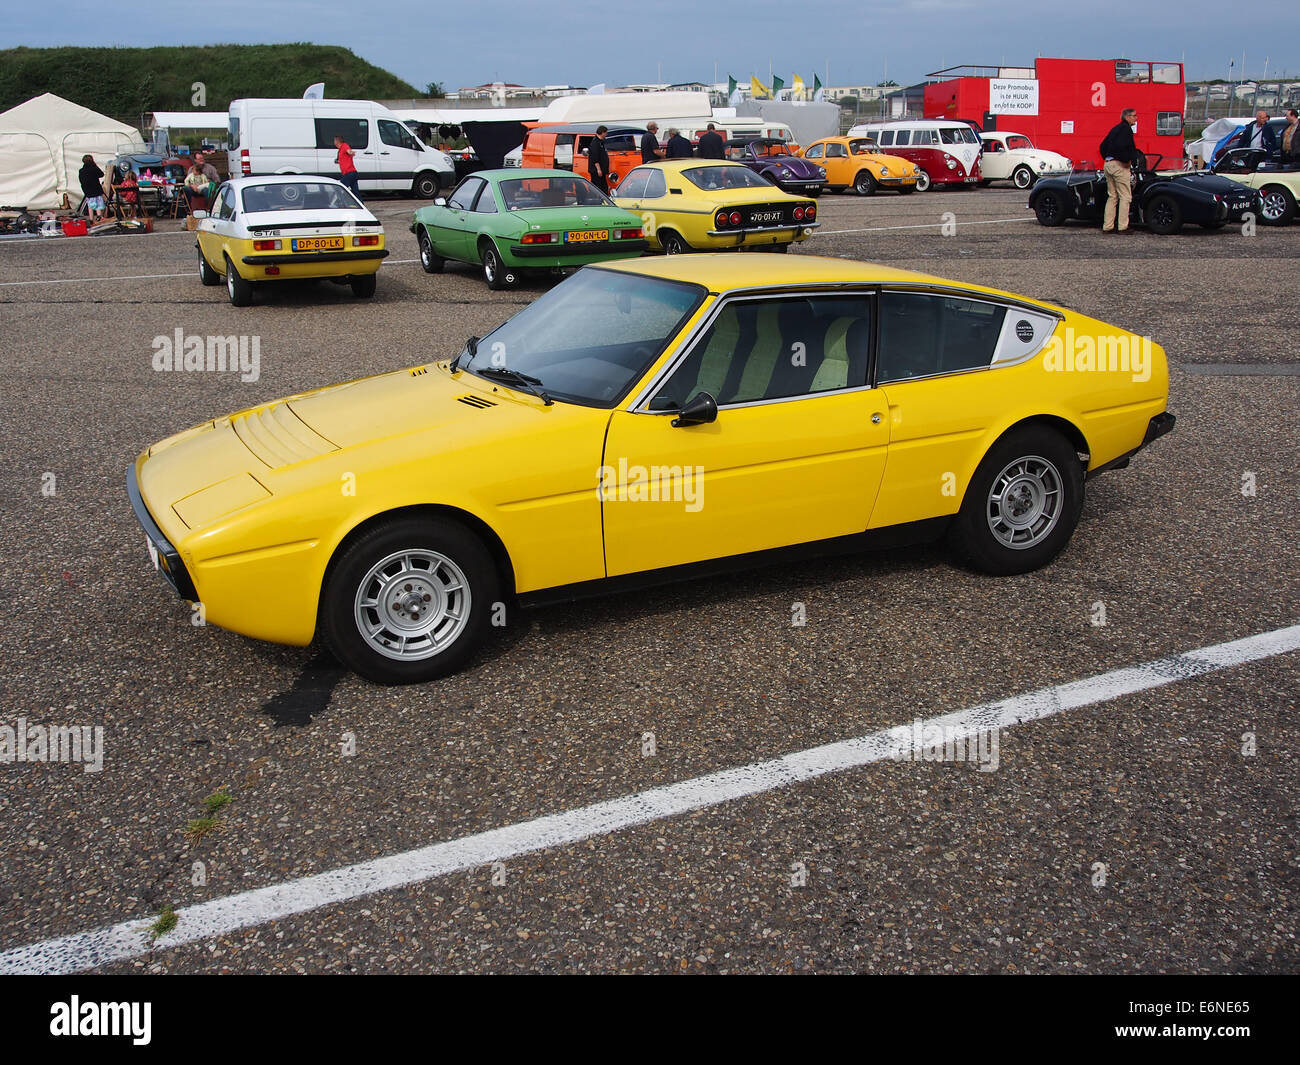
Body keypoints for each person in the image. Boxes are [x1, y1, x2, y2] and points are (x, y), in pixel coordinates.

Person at [1098, 108, 1141, 233]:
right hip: (1119, 165)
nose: (1136, 118)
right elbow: (1125, 147)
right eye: (1134, 115)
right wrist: (1128, 160)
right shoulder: (1126, 130)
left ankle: (1108, 226)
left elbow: (1103, 146)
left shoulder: (1115, 129)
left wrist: (1107, 157)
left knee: (1112, 196)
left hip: (1108, 164)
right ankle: (1123, 226)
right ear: (1126, 117)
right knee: (1125, 196)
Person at [78, 155, 106, 223]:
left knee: (90, 205)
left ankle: (91, 218)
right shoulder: (94, 168)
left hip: (87, 190)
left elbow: (81, 180)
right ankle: (99, 216)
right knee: (98, 204)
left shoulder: (81, 171)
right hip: (96, 188)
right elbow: (101, 174)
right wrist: (95, 166)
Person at [334, 135, 361, 199]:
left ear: (337, 141)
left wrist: (351, 152)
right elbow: (343, 159)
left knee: (340, 188)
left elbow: (348, 151)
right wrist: (338, 161)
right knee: (356, 192)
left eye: (334, 141)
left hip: (349, 173)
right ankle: (361, 205)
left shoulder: (344, 145)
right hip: (352, 173)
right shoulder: (340, 150)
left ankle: (338, 203)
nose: (334, 142)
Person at [587, 125, 611, 193]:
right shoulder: (595, 143)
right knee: (598, 186)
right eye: (606, 133)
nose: (606, 134)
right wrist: (598, 169)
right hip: (596, 170)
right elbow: (595, 158)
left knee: (604, 187)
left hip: (602, 170)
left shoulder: (601, 142)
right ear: (602, 132)